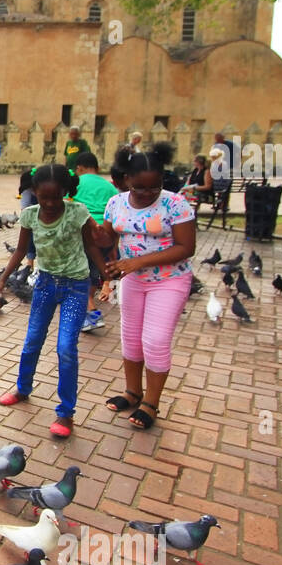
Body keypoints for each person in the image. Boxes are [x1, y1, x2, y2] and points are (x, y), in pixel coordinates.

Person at [0, 164, 109, 439]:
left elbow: (92, 246)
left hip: (75, 287)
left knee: (66, 347)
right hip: (45, 284)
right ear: (34, 193)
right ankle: (23, 388)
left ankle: (66, 413)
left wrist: (106, 276)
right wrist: (1, 281)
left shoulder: (77, 212)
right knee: (33, 339)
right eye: (44, 197)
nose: (50, 203)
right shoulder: (30, 216)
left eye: (56, 197)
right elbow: (21, 250)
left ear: (66, 193)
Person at [97, 143, 197, 431]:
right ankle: (132, 392)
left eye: (154, 187)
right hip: (134, 281)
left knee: (155, 341)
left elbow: (186, 247)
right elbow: (108, 237)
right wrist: (90, 231)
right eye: (139, 188)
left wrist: (136, 262)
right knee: (131, 338)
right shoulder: (116, 203)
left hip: (169, 280)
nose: (147, 194)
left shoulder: (175, 204)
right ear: (127, 179)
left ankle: (151, 402)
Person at [71, 152, 118, 332]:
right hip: (105, 234)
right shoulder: (110, 187)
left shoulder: (76, 183)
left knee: (81, 273)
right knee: (92, 273)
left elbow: (68, 206)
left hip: (83, 233)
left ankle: (91, 311)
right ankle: (89, 310)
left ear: (79, 168)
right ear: (97, 168)